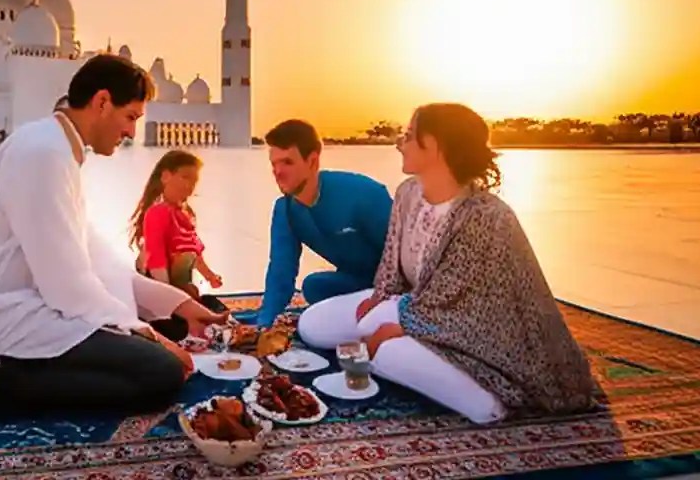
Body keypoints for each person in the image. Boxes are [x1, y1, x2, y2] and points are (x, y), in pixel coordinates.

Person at [0, 54, 228, 416]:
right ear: (101, 103)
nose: (131, 132)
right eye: (130, 117)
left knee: (175, 325)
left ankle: (13, 365)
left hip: (34, 297)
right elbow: (68, 288)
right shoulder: (43, 155)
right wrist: (152, 338)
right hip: (2, 312)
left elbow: (94, 256)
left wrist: (178, 304)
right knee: (162, 372)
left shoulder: (59, 150)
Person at [296, 103, 602, 424]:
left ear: (438, 146)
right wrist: (378, 299)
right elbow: (391, 265)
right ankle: (404, 346)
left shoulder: (485, 216)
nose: (400, 143)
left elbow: (456, 302)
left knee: (385, 350)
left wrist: (395, 329)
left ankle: (490, 399)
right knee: (314, 325)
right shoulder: (408, 193)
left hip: (483, 334)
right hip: (417, 305)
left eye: (411, 136)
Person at [255, 119, 393, 328]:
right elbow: (281, 271)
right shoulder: (286, 210)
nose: (278, 172)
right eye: (274, 164)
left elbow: (403, 258)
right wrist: (264, 323)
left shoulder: (363, 194)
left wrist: (385, 300)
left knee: (313, 325)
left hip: (393, 290)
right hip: (354, 283)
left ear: (312, 161)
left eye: (287, 162)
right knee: (314, 286)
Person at [129, 149, 229, 340]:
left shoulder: (186, 213)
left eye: (194, 181)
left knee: (214, 306)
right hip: (160, 297)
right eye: (185, 177)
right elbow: (157, 264)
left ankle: (198, 319)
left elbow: (194, 252)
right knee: (186, 329)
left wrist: (210, 276)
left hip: (182, 291)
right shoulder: (157, 213)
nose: (190, 186)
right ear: (166, 176)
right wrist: (176, 304)